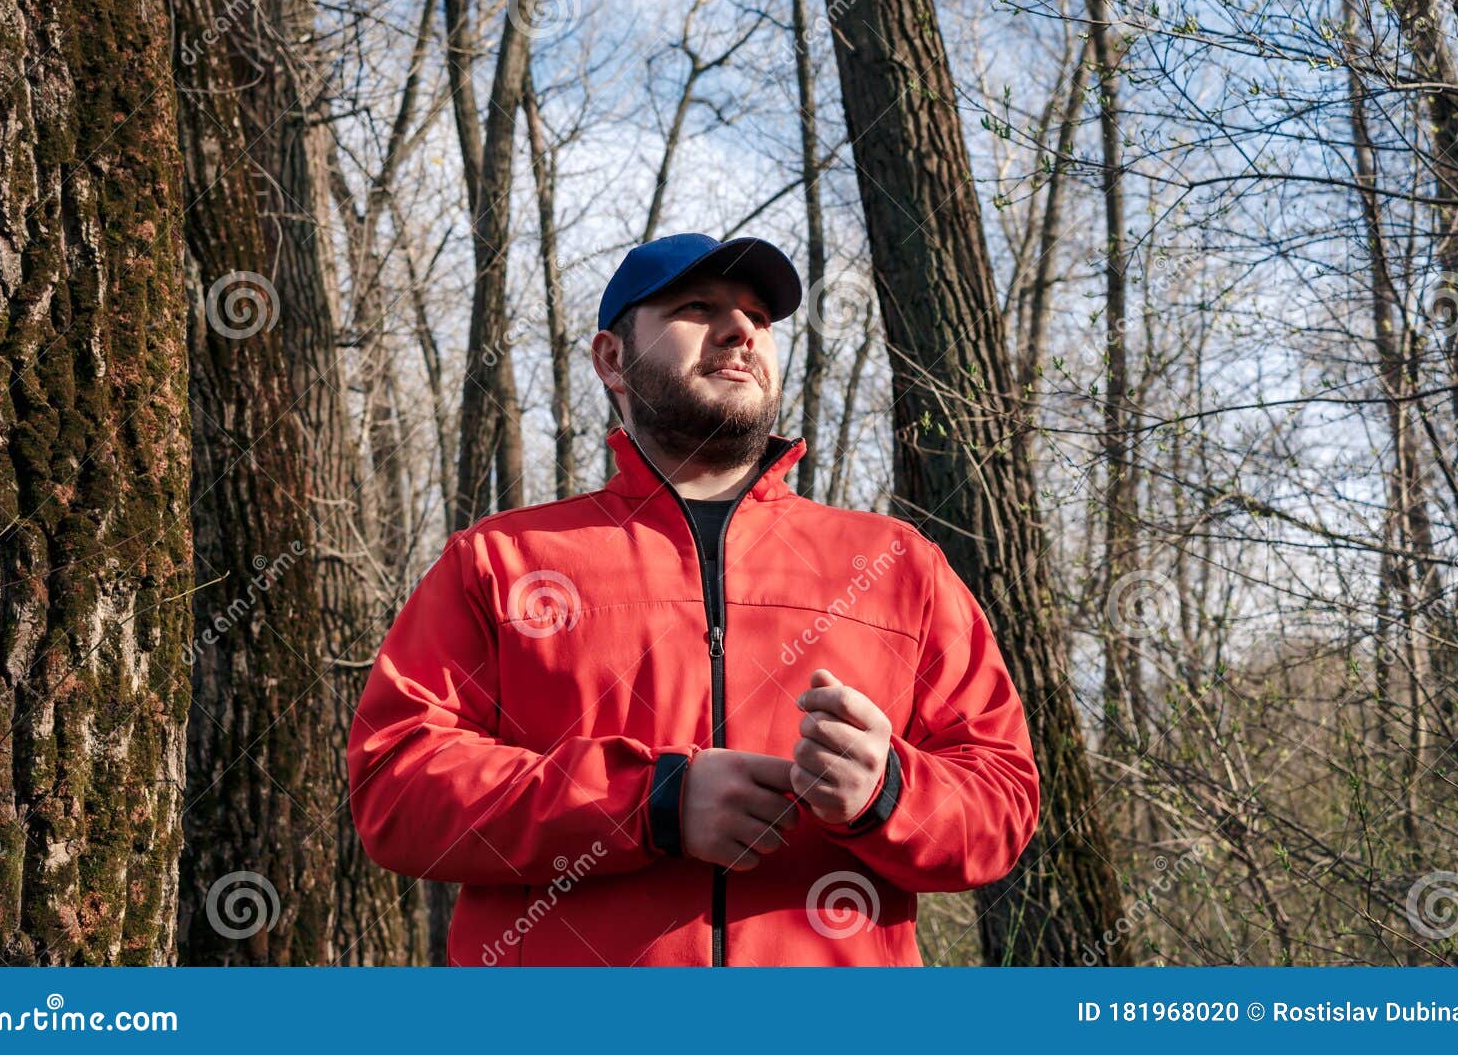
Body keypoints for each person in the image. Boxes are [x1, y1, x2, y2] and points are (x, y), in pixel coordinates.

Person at [347, 231, 1040, 965]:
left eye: (758, 319)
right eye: (697, 306)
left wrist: (888, 790)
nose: (740, 330)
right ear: (613, 358)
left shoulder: (899, 566)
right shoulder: (500, 561)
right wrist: (652, 801)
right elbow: (396, 788)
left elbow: (1002, 802)